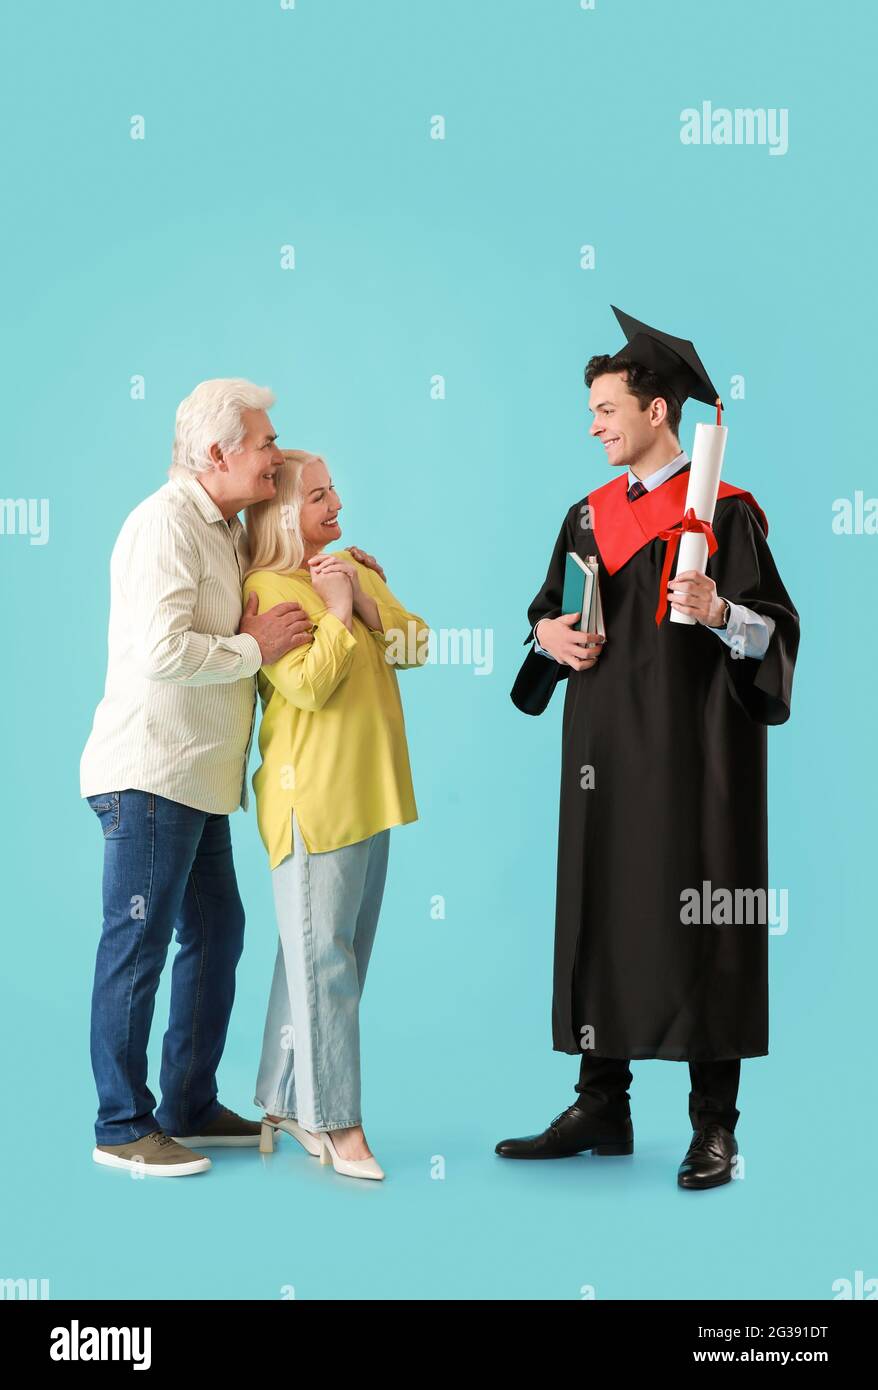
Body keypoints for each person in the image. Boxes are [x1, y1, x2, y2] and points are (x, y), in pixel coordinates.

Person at [498, 307, 800, 1190]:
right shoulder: (586, 518)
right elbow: (544, 613)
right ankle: (602, 1103)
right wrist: (549, 635)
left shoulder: (724, 516)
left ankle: (715, 1129)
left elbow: (775, 632)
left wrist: (718, 613)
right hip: (602, 752)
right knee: (605, 905)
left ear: (657, 412)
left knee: (705, 913)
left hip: (698, 755)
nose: (593, 427)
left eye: (606, 409)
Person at [81, 379, 318, 1176]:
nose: (275, 453)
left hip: (198, 782)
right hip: (152, 773)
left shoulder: (222, 527)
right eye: (263, 441)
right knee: (138, 943)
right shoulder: (165, 525)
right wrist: (254, 647)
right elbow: (162, 651)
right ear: (217, 454)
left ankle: (187, 1102)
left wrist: (339, 565)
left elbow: (283, 558)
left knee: (219, 933)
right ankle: (121, 1125)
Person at [242, 450, 429, 1181]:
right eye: (319, 495)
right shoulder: (262, 590)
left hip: (372, 790)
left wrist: (363, 595)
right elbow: (311, 688)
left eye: (334, 491)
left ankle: (281, 1098)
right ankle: (336, 1122)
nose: (338, 503)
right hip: (313, 799)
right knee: (328, 964)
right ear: (284, 510)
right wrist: (343, 616)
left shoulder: (352, 565)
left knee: (314, 958)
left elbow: (418, 645)